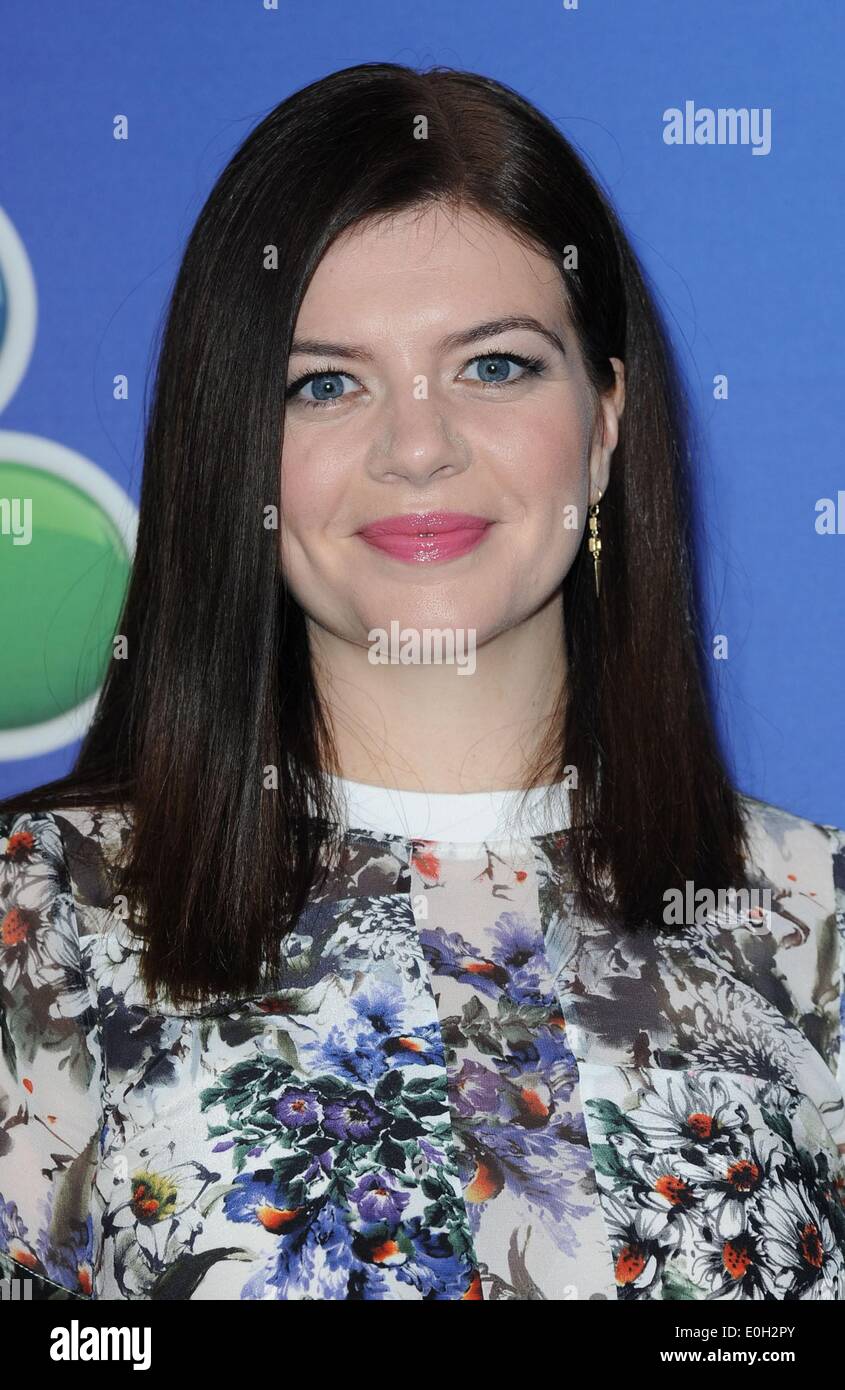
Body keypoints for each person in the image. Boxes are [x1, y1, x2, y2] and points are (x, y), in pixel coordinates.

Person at [0, 61, 843, 1302]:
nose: (416, 444)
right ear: (239, 454)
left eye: (493, 365)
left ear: (605, 423)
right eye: (324, 382)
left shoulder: (812, 917)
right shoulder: (42, 920)